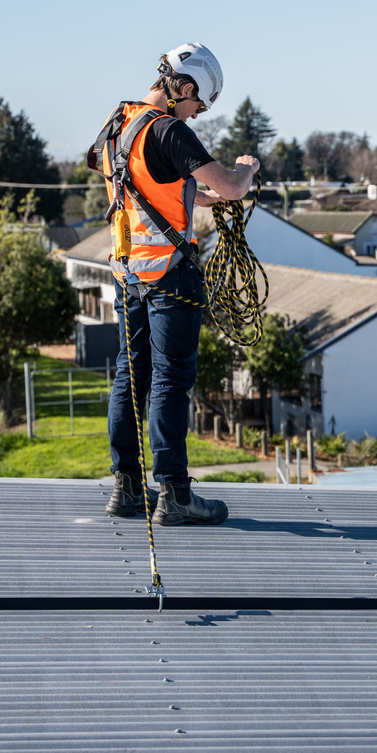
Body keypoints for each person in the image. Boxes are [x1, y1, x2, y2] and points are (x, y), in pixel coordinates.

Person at [95, 43, 259, 526]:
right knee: (170, 380)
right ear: (184, 88)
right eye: (198, 105)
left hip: (129, 270)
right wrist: (245, 170)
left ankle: (127, 488)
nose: (196, 115)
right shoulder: (169, 130)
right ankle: (176, 495)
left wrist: (200, 197)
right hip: (170, 272)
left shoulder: (119, 122)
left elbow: (146, 184)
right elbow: (232, 185)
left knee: (132, 374)